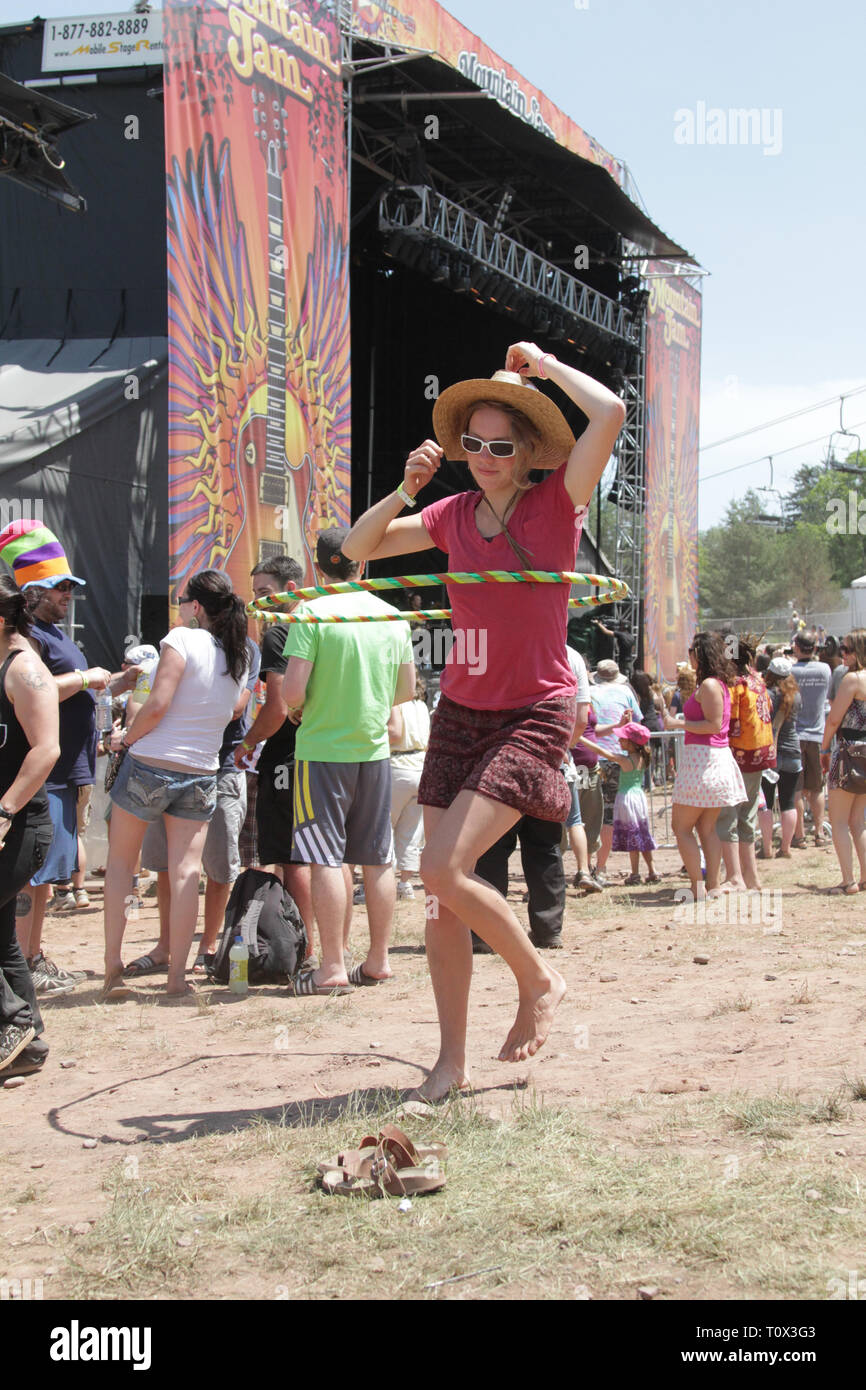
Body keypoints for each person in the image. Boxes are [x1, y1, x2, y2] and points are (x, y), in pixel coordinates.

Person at [342, 339, 625, 1097]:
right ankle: (452, 1061)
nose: (486, 455)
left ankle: (537, 979)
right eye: (474, 442)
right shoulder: (450, 513)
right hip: (461, 713)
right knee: (439, 902)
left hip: (534, 710)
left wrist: (544, 367)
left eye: (502, 444)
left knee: (440, 868)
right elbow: (355, 550)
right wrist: (405, 488)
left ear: (529, 449)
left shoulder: (556, 501)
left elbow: (611, 412)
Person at [0, 519, 138, 995]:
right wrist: (85, 679)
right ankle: (22, 961)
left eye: (70, 588)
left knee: (40, 878)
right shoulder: (26, 639)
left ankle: (31, 955)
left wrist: (116, 683)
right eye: (60, 588)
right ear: (33, 593)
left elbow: (69, 690)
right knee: (25, 879)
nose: (68, 596)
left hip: (66, 770)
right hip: (43, 771)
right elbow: (36, 691)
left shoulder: (51, 635)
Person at [103, 570, 249, 996]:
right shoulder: (237, 654)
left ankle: (113, 971)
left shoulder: (182, 640)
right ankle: (177, 979)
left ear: (197, 606)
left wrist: (125, 741)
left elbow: (157, 704)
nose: (181, 605)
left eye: (185, 599)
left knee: (120, 866)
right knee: (188, 873)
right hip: (202, 770)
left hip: (151, 760)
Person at [282, 527, 416, 994]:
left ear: (317, 566)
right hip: (374, 751)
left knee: (324, 857)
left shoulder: (311, 613)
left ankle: (332, 968)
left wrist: (298, 707)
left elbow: (292, 691)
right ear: (364, 562)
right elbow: (407, 691)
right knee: (377, 858)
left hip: (321, 751)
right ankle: (377, 960)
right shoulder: (392, 617)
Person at [130, 636, 261, 975]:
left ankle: (208, 947)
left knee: (219, 867)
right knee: (164, 865)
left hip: (219, 768)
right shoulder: (181, 644)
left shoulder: (244, 648)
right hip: (169, 764)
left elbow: (234, 707)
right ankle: (166, 947)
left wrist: (182, 700)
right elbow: (151, 698)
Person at [234, 555, 315, 945]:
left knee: (292, 856)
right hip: (331, 752)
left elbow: (278, 708)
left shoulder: (280, 632)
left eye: (265, 593)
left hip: (288, 757)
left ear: (292, 590)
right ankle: (329, 947)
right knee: (328, 857)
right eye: (254, 595)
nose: (259, 603)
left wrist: (247, 743)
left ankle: (309, 948)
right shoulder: (328, 624)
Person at [0, 576, 60, 1076]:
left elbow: (46, 749)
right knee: (3, 938)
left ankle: (14, 1021)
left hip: (20, 826)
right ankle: (28, 1046)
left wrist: (5, 811)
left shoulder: (24, 669)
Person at [663, 632, 746, 900]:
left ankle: (699, 886)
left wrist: (678, 723)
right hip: (710, 761)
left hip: (704, 762)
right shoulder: (716, 684)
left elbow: (712, 725)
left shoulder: (710, 685)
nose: (688, 655)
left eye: (691, 650)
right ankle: (711, 885)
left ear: (700, 653)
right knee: (706, 828)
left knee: (682, 828)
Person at [715, 636, 775, 892]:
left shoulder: (735, 686)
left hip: (737, 757)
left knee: (729, 817)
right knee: (747, 818)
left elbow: (729, 723)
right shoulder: (757, 682)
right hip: (759, 756)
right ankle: (751, 878)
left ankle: (735, 877)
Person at [578, 720, 658, 884]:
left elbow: (601, 751)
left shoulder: (625, 760)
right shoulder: (643, 758)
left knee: (633, 837)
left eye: (622, 739)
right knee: (642, 835)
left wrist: (581, 738)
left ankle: (635, 874)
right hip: (639, 799)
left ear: (631, 743)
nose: (619, 741)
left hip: (627, 800)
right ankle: (652, 870)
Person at [820, 630, 866, 894]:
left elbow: (834, 720)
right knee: (858, 821)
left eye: (847, 649)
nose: (842, 654)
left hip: (849, 752)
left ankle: (848, 879)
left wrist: (825, 749)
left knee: (838, 820)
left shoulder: (852, 680)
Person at [388, 670, 431, 902]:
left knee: (383, 828)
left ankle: (377, 883)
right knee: (412, 830)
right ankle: (405, 883)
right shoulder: (422, 707)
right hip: (420, 767)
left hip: (397, 765)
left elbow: (393, 734)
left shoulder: (396, 702)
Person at [757, 656, 802, 859]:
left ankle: (766, 849)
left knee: (766, 802)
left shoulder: (765, 695)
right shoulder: (796, 696)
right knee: (788, 802)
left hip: (771, 753)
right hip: (792, 751)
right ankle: (785, 848)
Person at [791, 631, 831, 848]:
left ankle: (799, 835)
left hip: (795, 735)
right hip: (817, 735)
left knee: (796, 789)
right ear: (815, 647)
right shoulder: (825, 669)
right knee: (816, 788)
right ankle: (819, 832)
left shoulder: (790, 671)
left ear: (797, 647)